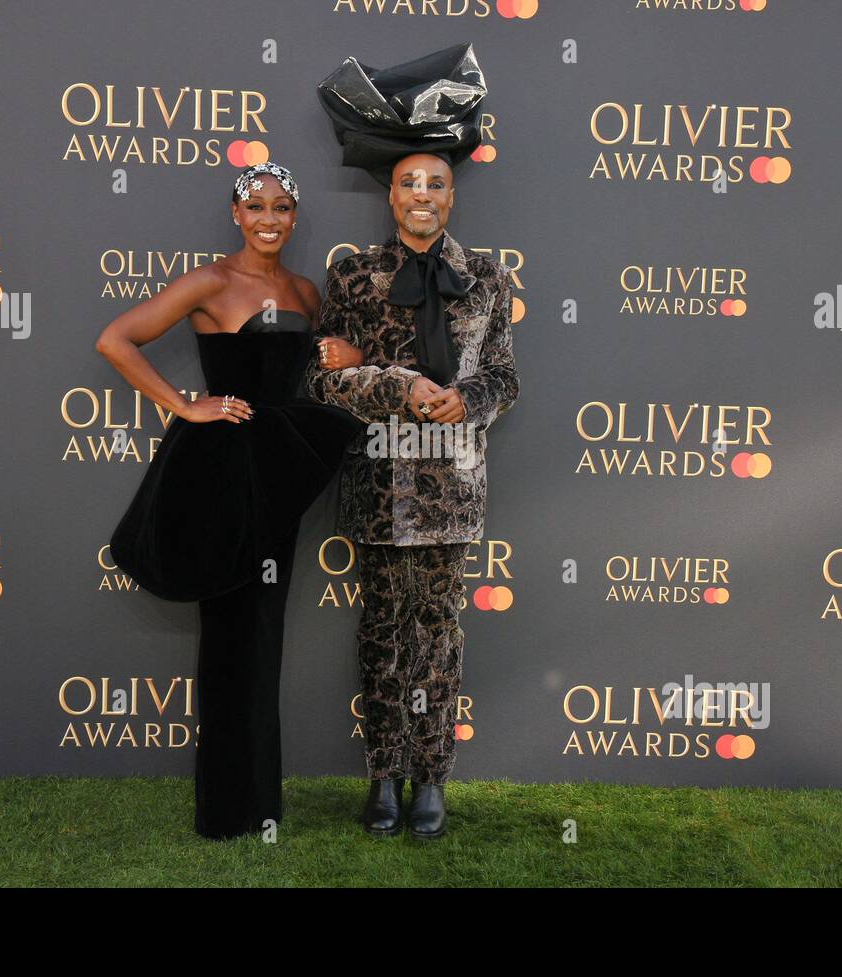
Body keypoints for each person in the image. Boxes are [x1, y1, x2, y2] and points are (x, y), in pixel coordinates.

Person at [96, 162, 363, 840]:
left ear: (295, 216)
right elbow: (115, 339)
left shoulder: (304, 289)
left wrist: (346, 355)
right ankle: (223, 812)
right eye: (255, 206)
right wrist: (186, 405)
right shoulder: (211, 281)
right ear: (236, 214)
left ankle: (261, 806)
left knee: (264, 635)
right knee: (226, 638)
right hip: (218, 473)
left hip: (275, 476)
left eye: (281, 206)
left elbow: (319, 366)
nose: (268, 217)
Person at [307, 45, 519, 839]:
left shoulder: (488, 279)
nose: (422, 196)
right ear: (390, 194)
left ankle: (432, 779)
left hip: (451, 491)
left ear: (451, 194)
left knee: (438, 640)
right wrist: (398, 384)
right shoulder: (356, 277)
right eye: (409, 183)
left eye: (435, 184)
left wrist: (463, 399)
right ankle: (383, 777)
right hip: (378, 488)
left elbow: (504, 377)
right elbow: (325, 380)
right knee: (380, 636)